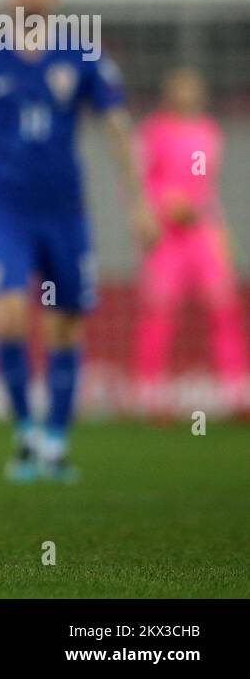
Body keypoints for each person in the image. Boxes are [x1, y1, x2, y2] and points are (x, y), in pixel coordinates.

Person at [0, 0, 157, 482]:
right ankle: (25, 434)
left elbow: (118, 129)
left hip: (66, 213)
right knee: (8, 315)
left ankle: (54, 440)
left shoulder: (83, 58)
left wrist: (139, 201)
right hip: (7, 213)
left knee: (64, 325)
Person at [133, 67, 248, 418]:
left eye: (193, 88)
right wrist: (161, 206)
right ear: (169, 92)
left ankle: (238, 394)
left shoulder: (208, 133)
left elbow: (205, 187)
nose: (188, 93)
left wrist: (220, 230)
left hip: (201, 234)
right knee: (159, 313)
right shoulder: (153, 132)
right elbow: (137, 183)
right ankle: (150, 396)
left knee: (225, 309)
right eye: (181, 87)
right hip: (167, 237)